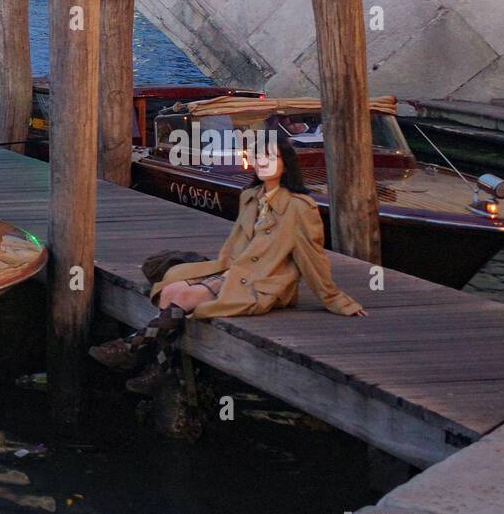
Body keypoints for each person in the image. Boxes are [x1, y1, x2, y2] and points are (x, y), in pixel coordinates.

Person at [89, 132, 364, 381]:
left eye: (272, 157)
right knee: (170, 290)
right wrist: (217, 271)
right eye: (259, 157)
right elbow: (234, 248)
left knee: (184, 298)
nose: (264, 163)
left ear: (286, 164)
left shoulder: (300, 207)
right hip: (233, 271)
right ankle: (161, 368)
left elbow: (311, 258)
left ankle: (131, 349)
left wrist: (335, 299)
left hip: (266, 282)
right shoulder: (250, 197)